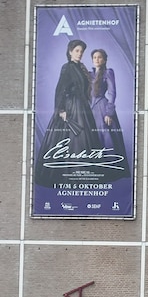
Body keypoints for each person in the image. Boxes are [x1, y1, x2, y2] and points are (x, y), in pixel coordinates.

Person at [34, 38, 103, 188]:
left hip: (82, 107)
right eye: (77, 51)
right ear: (70, 52)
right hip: (71, 107)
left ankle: (85, 174)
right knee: (74, 139)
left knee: (84, 139)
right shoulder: (67, 67)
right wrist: (61, 110)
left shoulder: (81, 68)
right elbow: (60, 90)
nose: (80, 53)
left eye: (81, 51)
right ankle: (72, 175)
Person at [88, 48, 129, 181]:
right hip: (90, 109)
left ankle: (111, 173)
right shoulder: (89, 74)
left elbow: (112, 93)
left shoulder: (108, 72)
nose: (97, 59)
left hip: (103, 108)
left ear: (104, 59)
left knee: (106, 139)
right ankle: (96, 171)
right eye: (94, 57)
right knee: (92, 139)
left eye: (99, 57)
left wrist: (109, 113)